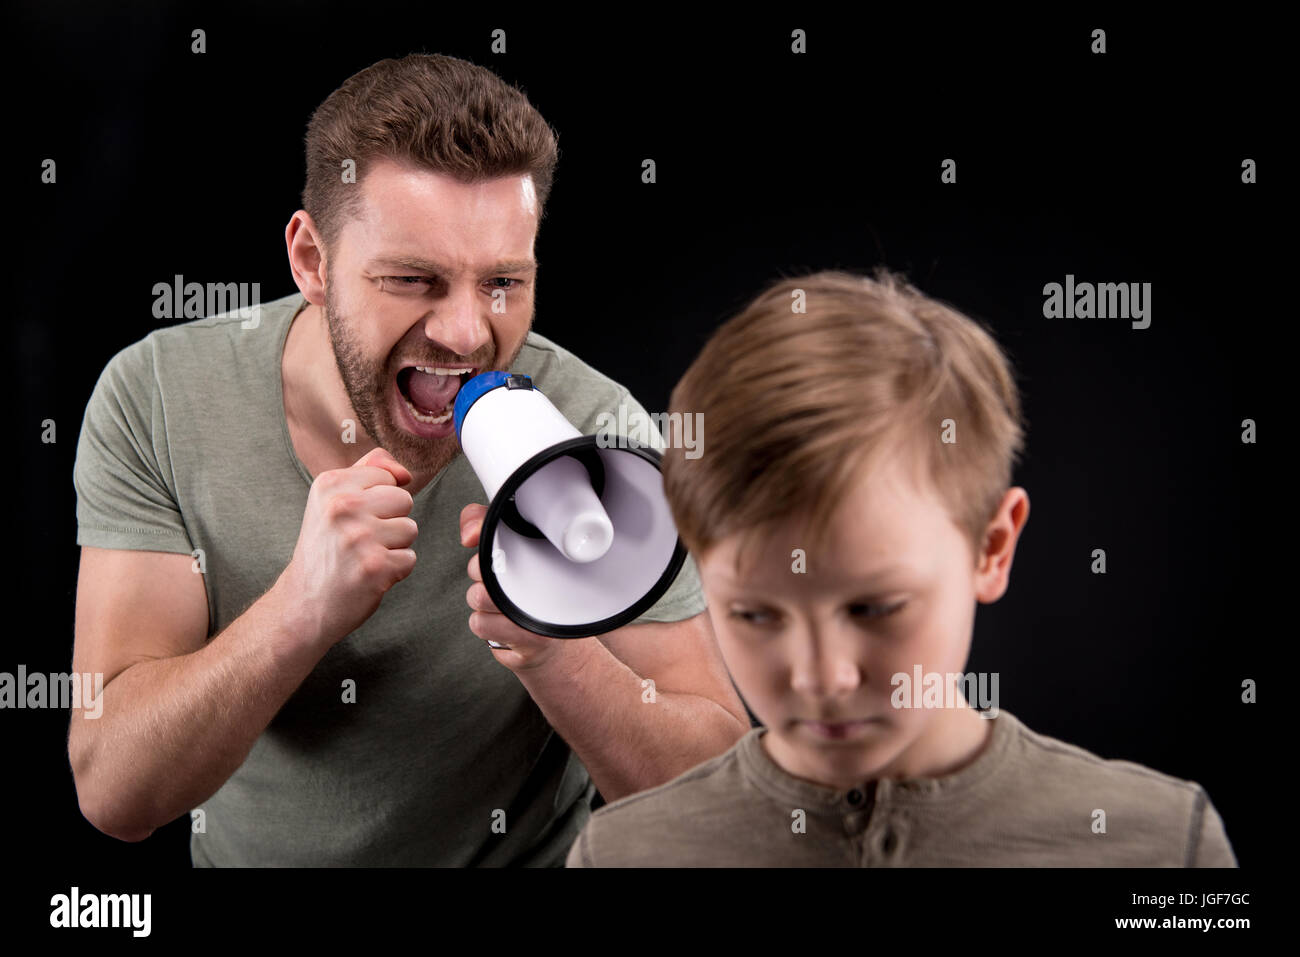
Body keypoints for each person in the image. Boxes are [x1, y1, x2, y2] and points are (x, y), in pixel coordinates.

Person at [69, 53, 749, 866]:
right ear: (311, 261)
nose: (467, 332)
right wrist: (301, 610)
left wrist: (551, 647)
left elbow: (717, 797)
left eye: (503, 281)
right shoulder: (158, 397)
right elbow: (114, 792)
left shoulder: (598, 434)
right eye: (413, 278)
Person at [567, 268, 1237, 866]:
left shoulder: (1161, 846)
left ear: (992, 547)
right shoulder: (624, 854)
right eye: (755, 613)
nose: (821, 677)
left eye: (874, 607)